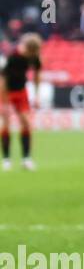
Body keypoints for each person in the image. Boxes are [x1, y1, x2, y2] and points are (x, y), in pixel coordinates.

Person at [1, 32, 41, 172]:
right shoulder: (12, 55)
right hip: (6, 91)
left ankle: (26, 159)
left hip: (21, 91)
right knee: (6, 123)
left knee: (26, 123)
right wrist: (4, 102)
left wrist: (37, 95)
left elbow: (37, 74)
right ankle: (6, 159)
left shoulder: (34, 56)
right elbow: (3, 78)